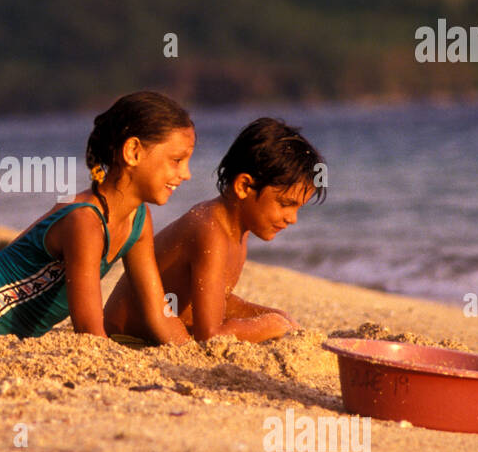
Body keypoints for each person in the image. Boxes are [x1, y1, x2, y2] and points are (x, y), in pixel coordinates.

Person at [0, 91, 195, 341]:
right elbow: (89, 333)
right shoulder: (85, 221)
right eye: (176, 160)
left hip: (17, 340)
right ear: (133, 152)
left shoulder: (138, 218)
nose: (186, 174)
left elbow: (158, 314)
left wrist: (189, 354)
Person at [104, 117, 325, 344]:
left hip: (154, 331)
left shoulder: (236, 229)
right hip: (125, 338)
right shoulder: (210, 232)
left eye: (298, 207)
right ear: (244, 186)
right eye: (285, 204)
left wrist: (275, 316)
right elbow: (210, 335)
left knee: (278, 319)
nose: (293, 218)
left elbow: (219, 298)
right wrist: (269, 325)